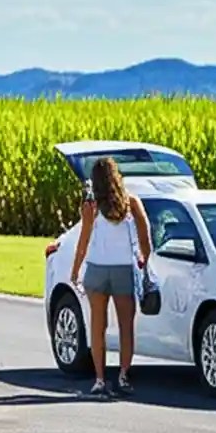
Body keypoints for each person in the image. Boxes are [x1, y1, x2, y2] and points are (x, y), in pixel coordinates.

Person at [69, 157, 152, 397]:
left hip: (96, 269)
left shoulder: (91, 208)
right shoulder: (131, 203)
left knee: (98, 326)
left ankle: (99, 379)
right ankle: (124, 375)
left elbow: (83, 242)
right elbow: (145, 237)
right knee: (126, 326)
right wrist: (144, 260)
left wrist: (75, 271)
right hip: (123, 269)